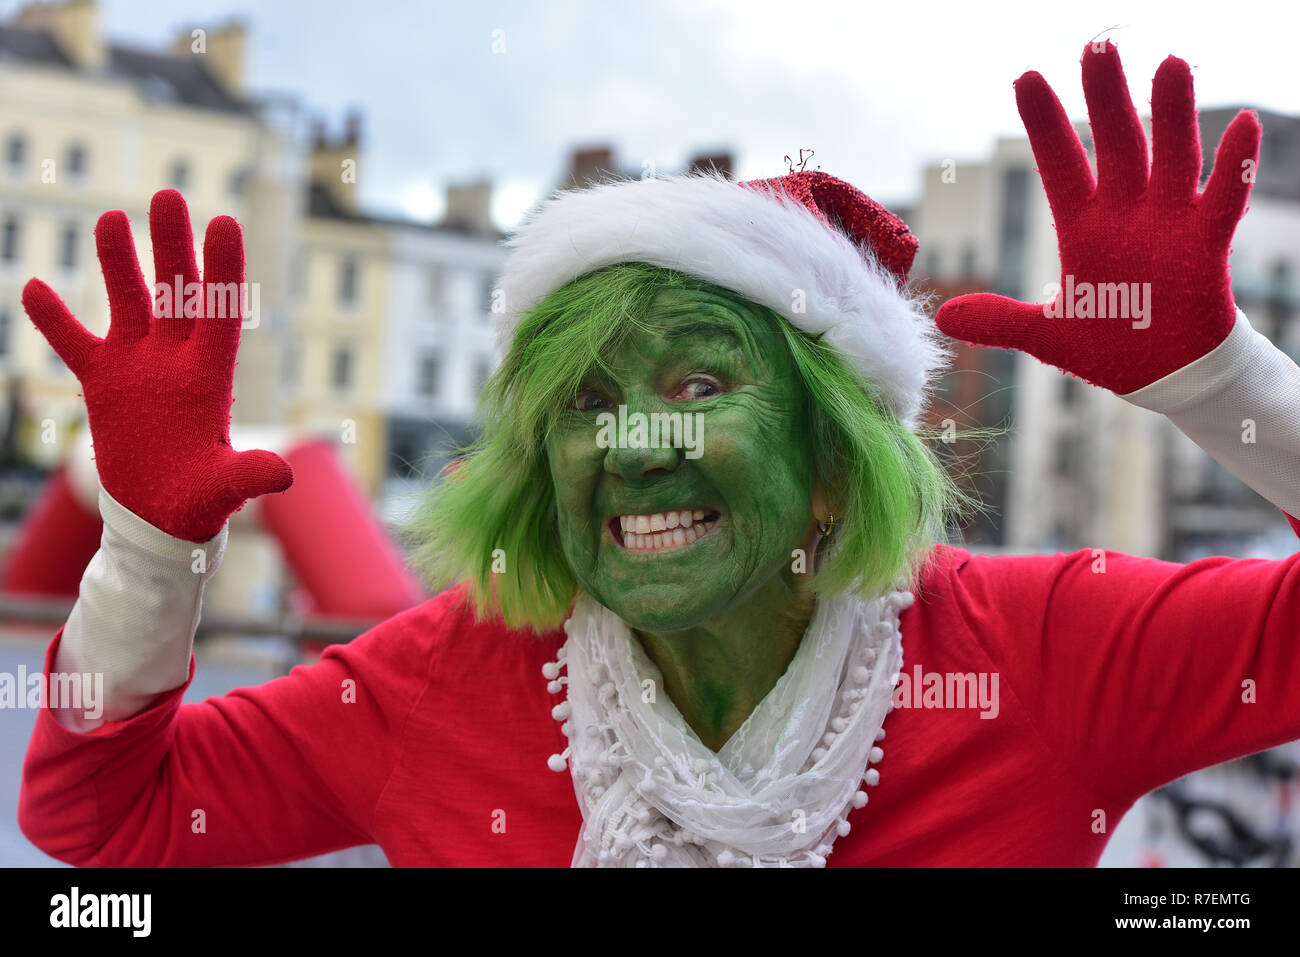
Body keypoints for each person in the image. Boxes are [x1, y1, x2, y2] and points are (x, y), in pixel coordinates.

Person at [17, 42, 1300, 867]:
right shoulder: (444, 680)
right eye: (582, 401)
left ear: (831, 447)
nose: (632, 446)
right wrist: (147, 549)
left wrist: (1223, 384)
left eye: (698, 382)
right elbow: (103, 818)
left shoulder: (1042, 649)